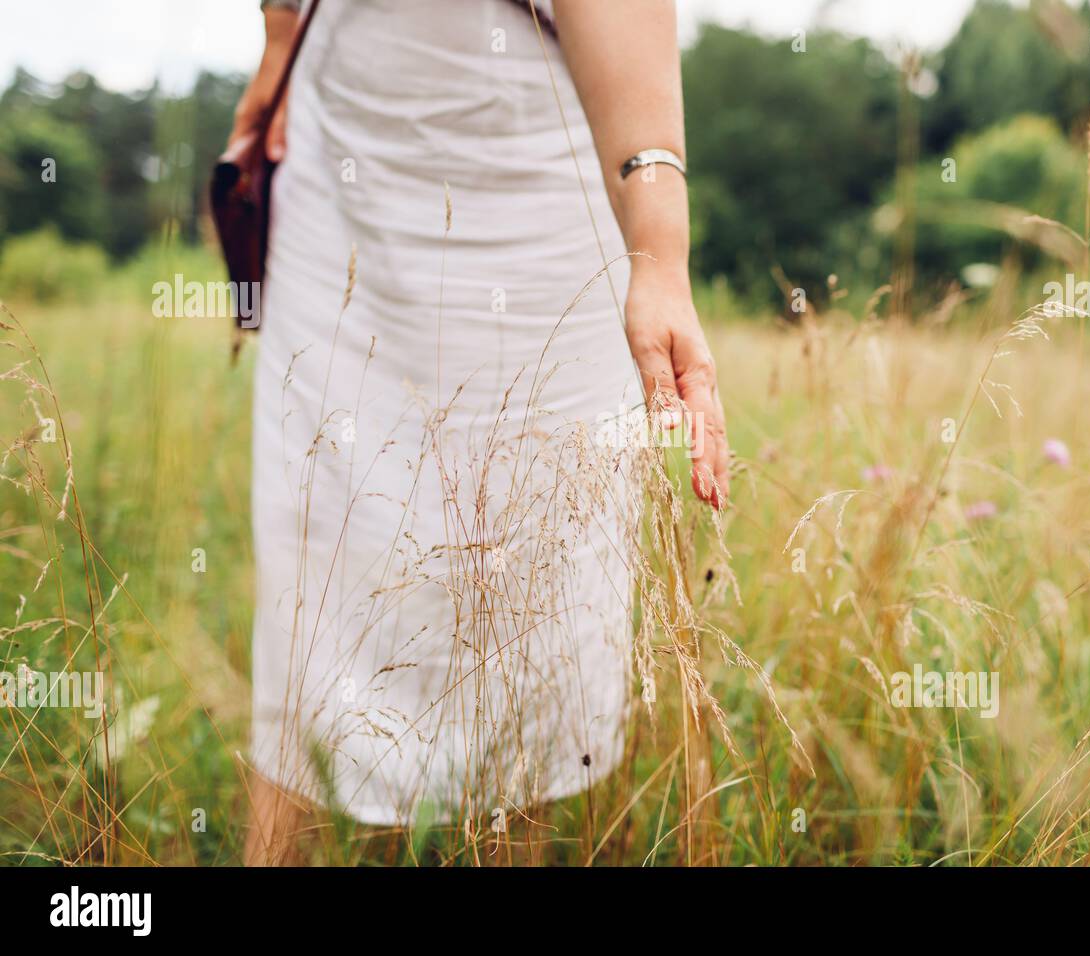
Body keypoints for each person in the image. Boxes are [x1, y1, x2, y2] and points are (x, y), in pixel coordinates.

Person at [228, 0, 729, 864]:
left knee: (530, 586)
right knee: (313, 573)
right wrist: (278, 39)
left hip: (533, 169)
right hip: (339, 146)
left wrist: (659, 251)